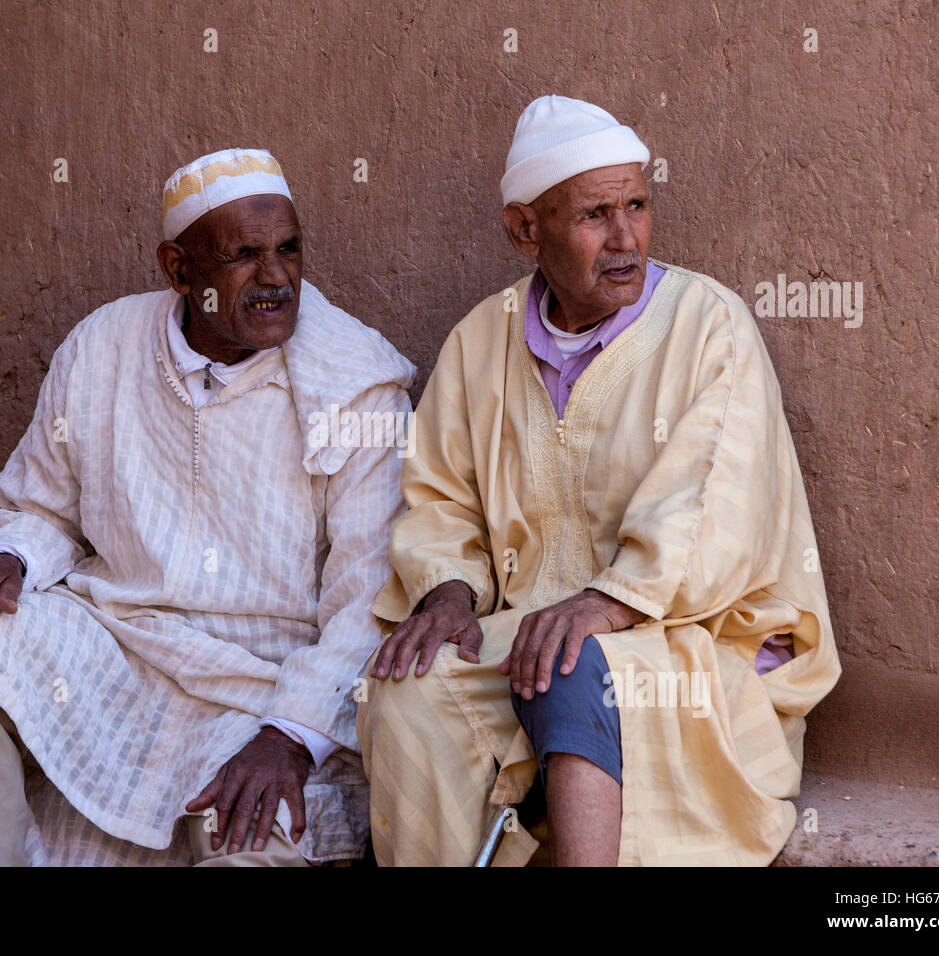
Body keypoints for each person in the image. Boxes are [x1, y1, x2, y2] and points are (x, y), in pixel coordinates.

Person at [358, 96, 841, 866]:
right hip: (533, 634)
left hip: (692, 643)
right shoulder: (481, 339)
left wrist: (603, 604)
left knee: (573, 664)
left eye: (637, 206)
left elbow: (712, 504)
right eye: (595, 216)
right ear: (525, 230)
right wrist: (448, 589)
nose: (626, 239)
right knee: (407, 691)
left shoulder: (707, 326)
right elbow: (441, 498)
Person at [0, 147, 415, 865]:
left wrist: (291, 736)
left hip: (258, 685)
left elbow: (370, 599)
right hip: (115, 649)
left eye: (289, 249)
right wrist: (11, 554)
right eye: (245, 255)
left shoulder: (358, 386)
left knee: (258, 832)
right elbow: (42, 506)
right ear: (178, 270)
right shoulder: (103, 345)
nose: (276, 277)